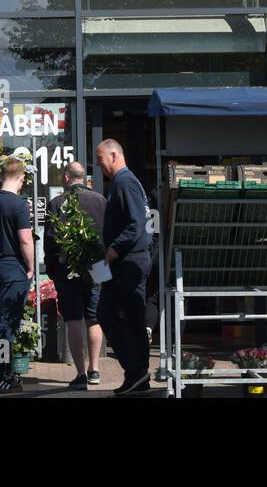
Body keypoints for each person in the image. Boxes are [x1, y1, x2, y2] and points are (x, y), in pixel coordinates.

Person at [95, 139, 153, 396]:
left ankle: (135, 370)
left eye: (101, 161)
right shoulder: (128, 182)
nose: (100, 168)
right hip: (133, 260)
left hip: (127, 261)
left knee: (106, 313)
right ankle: (139, 375)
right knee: (133, 318)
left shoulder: (124, 182)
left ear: (114, 155)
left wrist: (113, 249)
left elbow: (135, 223)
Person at [43, 161, 107, 390]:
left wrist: (52, 269)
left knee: (73, 320)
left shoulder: (57, 203)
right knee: (94, 318)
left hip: (66, 269)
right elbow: (107, 235)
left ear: (67, 178)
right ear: (85, 179)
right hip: (96, 268)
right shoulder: (101, 201)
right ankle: (95, 369)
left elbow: (50, 241)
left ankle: (80, 374)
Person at [0, 157, 34, 393]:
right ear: (21, 179)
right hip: (14, 269)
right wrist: (30, 267)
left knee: (1, 320)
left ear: (2, 177)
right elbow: (25, 239)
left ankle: (0, 371)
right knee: (8, 324)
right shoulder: (19, 205)